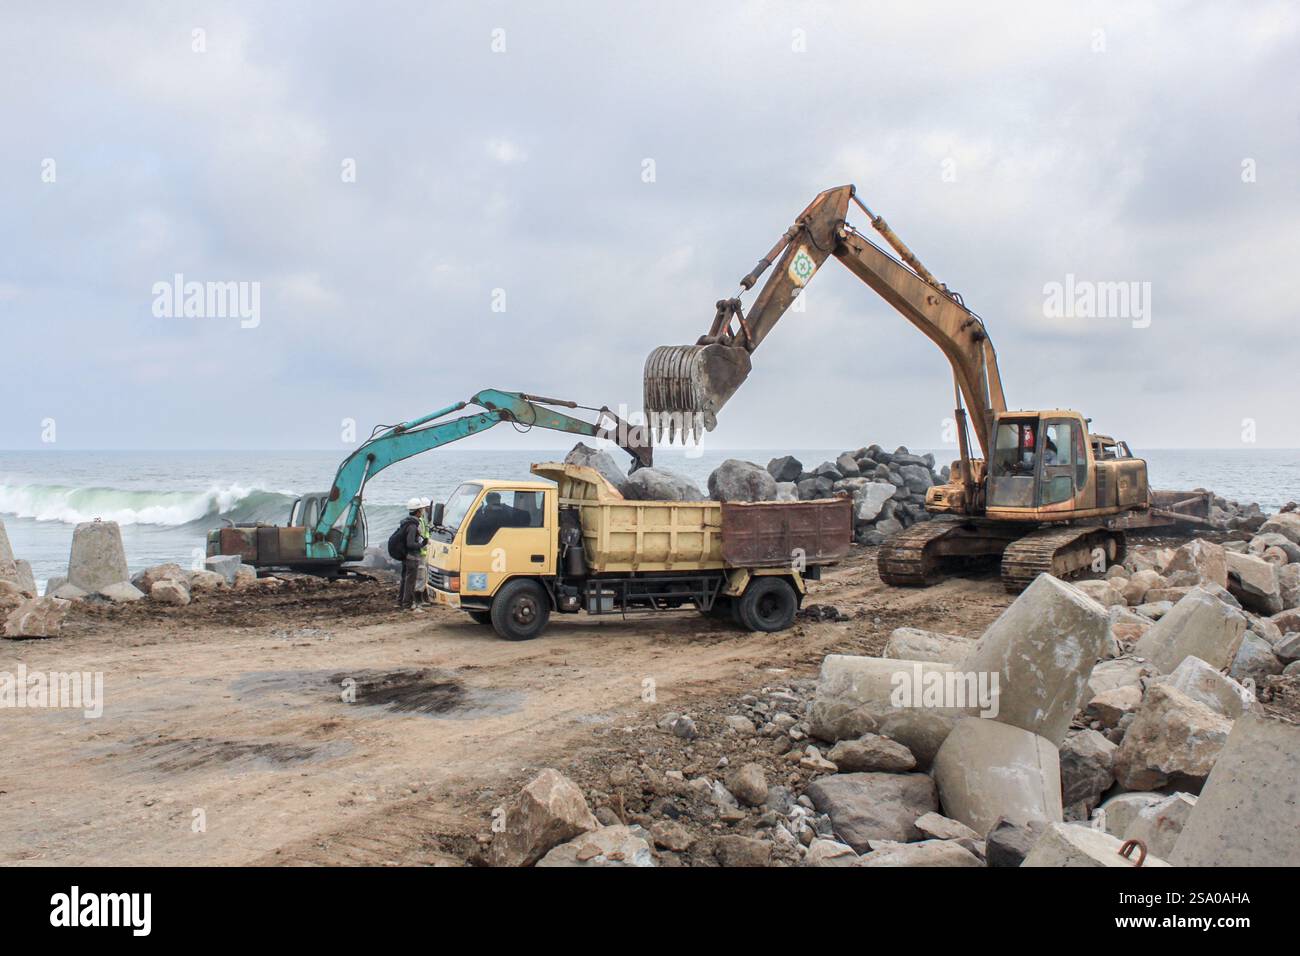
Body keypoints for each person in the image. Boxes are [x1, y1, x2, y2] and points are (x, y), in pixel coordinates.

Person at [396, 497, 428, 611]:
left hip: (406, 556)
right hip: (412, 557)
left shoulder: (406, 523)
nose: (422, 512)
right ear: (418, 511)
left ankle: (400, 602)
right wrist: (421, 545)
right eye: (421, 510)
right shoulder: (413, 526)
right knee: (410, 582)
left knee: (405, 579)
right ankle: (407, 605)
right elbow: (410, 543)